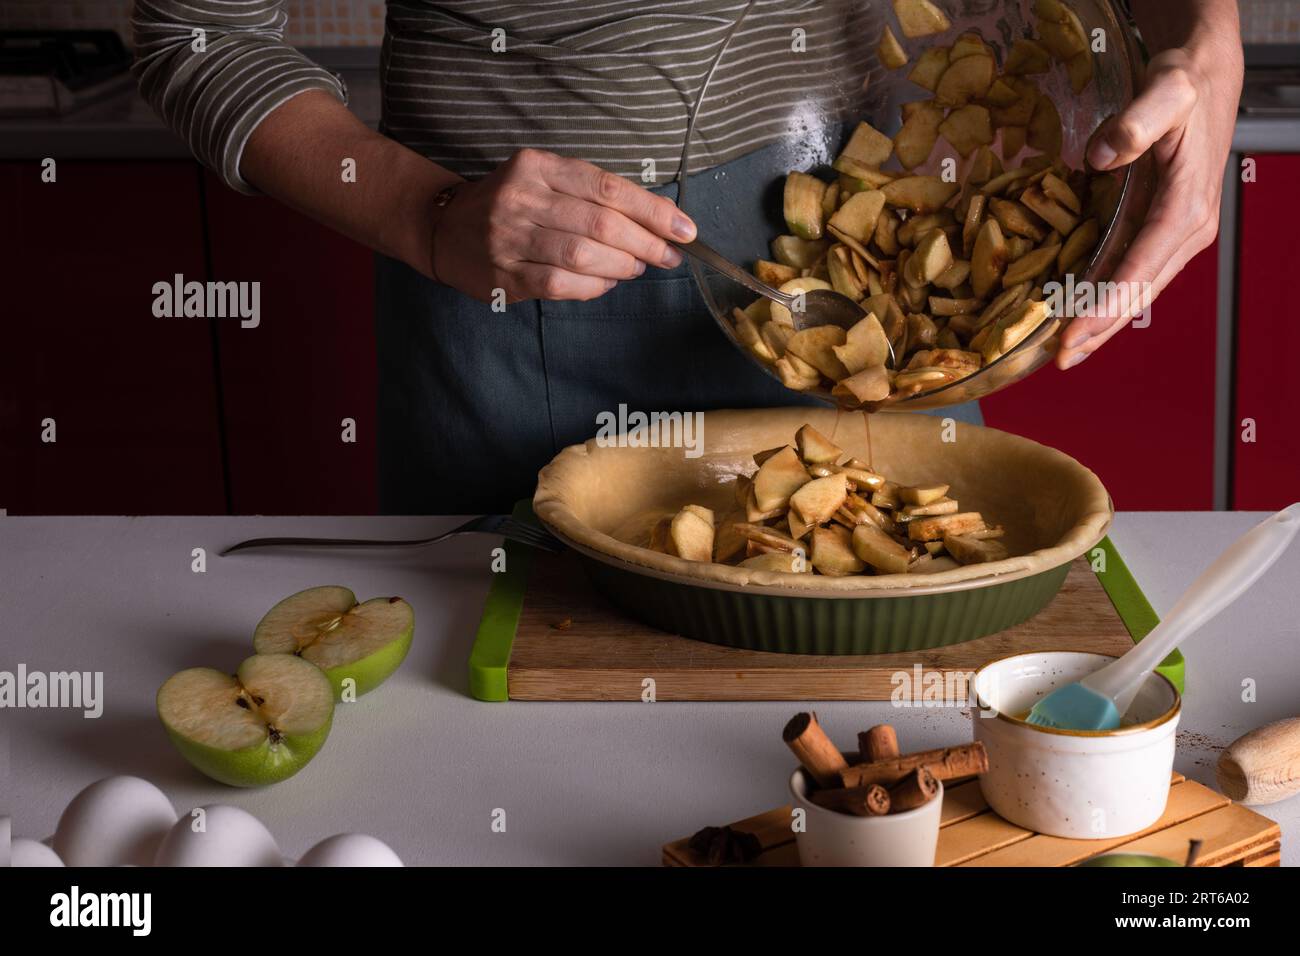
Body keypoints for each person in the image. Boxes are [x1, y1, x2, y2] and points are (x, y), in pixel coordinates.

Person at [132, 0, 1243, 513]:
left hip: (875, 257)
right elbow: (197, 30)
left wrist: (1207, 31)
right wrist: (430, 217)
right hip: (529, 279)